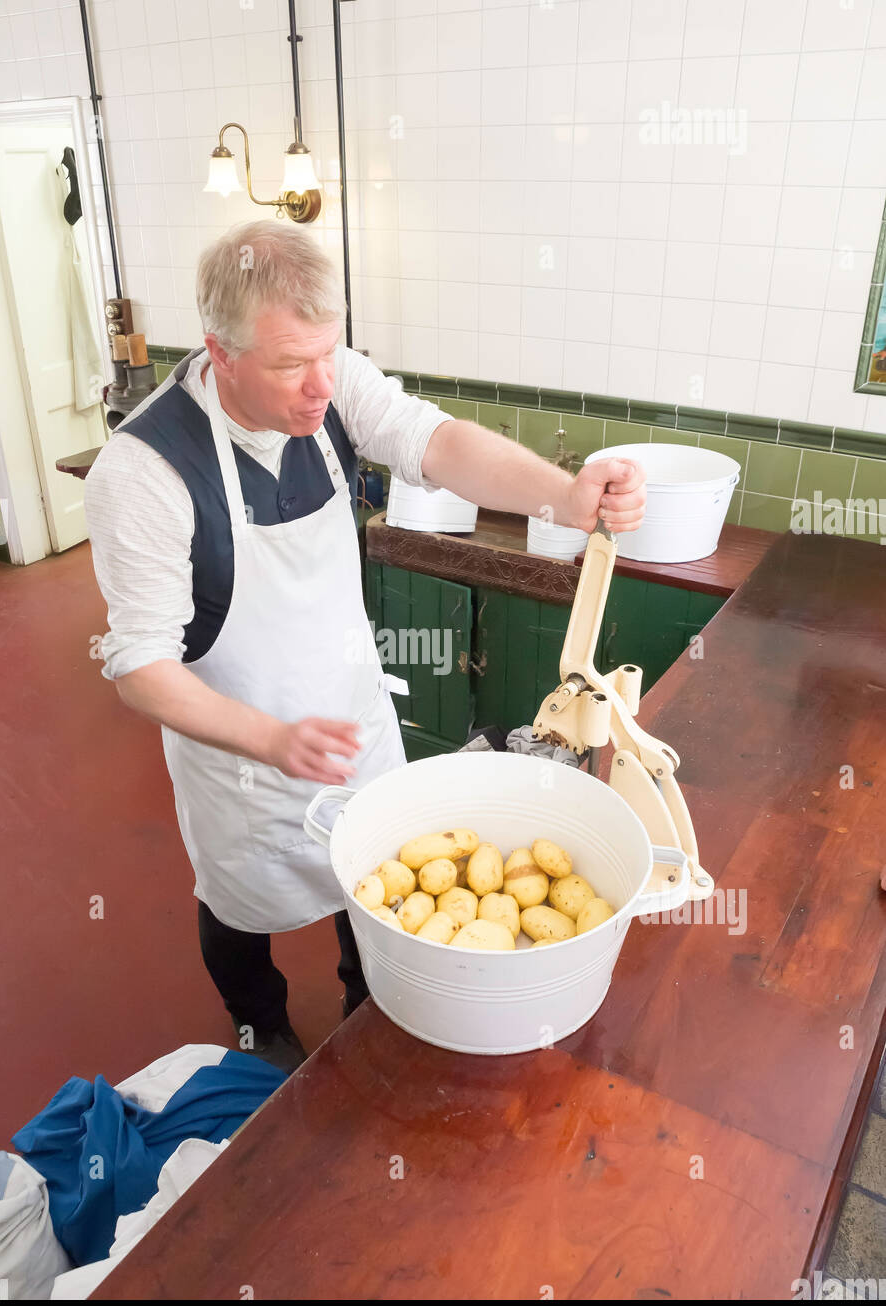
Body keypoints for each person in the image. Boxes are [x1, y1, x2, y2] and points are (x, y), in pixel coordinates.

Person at [84, 219, 646, 1074]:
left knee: (376, 873)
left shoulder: (330, 377)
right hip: (237, 745)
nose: (321, 388)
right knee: (239, 898)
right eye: (288, 366)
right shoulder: (144, 472)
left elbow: (435, 443)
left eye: (329, 354)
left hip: (351, 710)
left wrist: (561, 495)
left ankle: (366, 996)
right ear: (218, 352)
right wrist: (269, 739)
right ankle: (257, 1022)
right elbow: (140, 668)